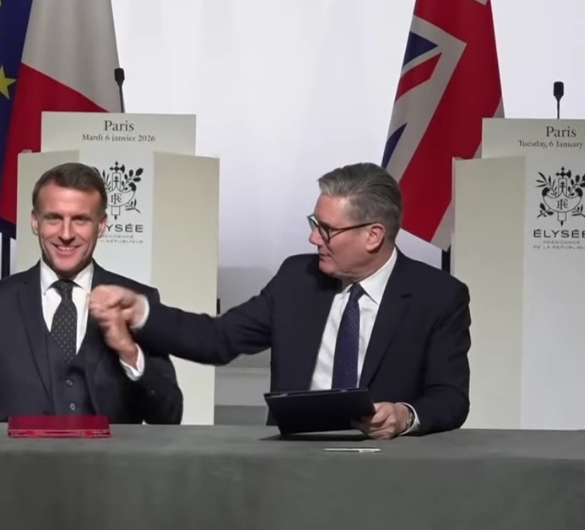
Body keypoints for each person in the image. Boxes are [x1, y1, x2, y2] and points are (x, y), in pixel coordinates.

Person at [90, 162, 471, 438]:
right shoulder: (297, 279)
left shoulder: (437, 297)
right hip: (292, 467)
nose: (313, 239)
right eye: (314, 224)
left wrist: (404, 416)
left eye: (327, 230)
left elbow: (450, 397)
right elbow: (218, 339)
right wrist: (141, 312)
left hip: (387, 468)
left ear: (373, 235)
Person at [0, 162, 183, 423]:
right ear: (35, 221)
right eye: (54, 218)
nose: (66, 234)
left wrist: (131, 355)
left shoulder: (138, 302)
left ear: (102, 225)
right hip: (17, 471)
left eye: (80, 219)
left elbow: (168, 415)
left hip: (112, 472)